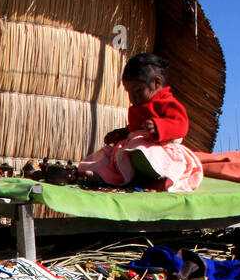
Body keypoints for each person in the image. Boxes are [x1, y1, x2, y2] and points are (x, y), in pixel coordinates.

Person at [79, 53, 203, 192]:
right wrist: (122, 134)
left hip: (159, 149)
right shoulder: (138, 107)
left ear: (157, 83)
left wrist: (159, 127)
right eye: (128, 92)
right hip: (132, 149)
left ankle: (157, 179)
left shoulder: (166, 103)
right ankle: (103, 176)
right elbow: (135, 131)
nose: (132, 97)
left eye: (138, 90)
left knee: (141, 152)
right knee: (107, 155)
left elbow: (181, 124)